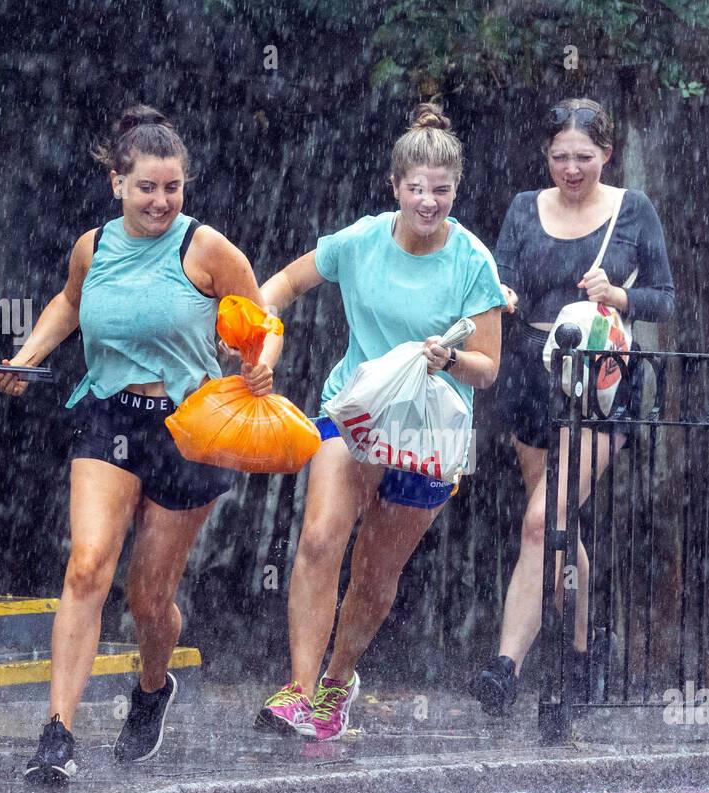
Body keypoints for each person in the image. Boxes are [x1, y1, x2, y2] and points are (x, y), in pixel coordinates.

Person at [0, 105, 279, 783]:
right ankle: (57, 733)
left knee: (148, 601)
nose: (160, 200)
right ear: (118, 183)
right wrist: (27, 356)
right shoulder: (93, 246)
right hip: (108, 415)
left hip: (189, 429)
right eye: (147, 186)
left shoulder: (205, 248)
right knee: (87, 566)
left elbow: (259, 319)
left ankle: (152, 689)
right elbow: (69, 300)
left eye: (172, 188)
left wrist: (258, 363)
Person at [255, 102, 505, 742]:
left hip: (427, 433)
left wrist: (448, 356)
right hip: (356, 410)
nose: (428, 202)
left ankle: (336, 683)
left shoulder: (473, 261)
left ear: (456, 191)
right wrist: (256, 328)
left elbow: (488, 369)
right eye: (416, 189)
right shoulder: (360, 240)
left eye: (441, 191)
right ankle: (298, 689)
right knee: (317, 542)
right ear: (395, 187)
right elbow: (283, 282)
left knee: (373, 574)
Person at [468, 97, 674, 716]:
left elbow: (664, 297)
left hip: (601, 376)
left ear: (606, 154)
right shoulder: (523, 209)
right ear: (547, 157)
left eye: (584, 156)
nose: (572, 168)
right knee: (556, 527)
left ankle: (505, 668)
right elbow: (497, 278)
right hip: (531, 373)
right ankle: (585, 653)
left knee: (541, 522)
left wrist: (618, 295)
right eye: (561, 157)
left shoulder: (634, 211)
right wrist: (498, 294)